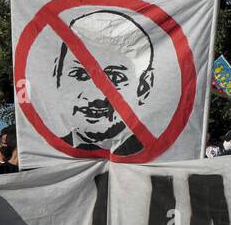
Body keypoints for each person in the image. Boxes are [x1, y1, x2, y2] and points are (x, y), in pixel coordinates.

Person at [50, 9, 156, 156]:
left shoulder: (165, 159)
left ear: (144, 86)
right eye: (80, 74)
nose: (95, 97)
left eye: (115, 78)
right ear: (58, 75)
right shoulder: (45, 157)